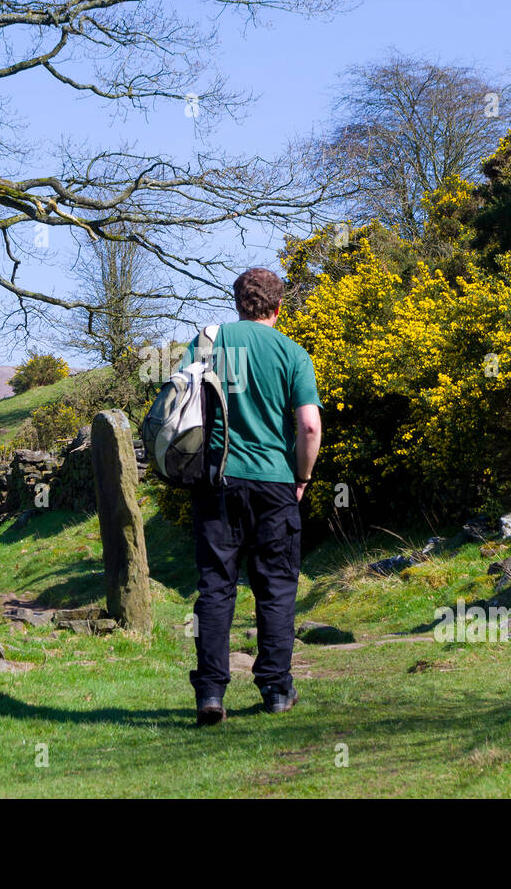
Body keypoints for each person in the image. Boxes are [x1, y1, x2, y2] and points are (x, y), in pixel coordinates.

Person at [184, 267, 322, 726]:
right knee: (277, 586)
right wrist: (301, 476)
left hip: (217, 479)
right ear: (279, 308)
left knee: (216, 587)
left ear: (238, 302)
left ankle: (210, 692)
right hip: (276, 483)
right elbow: (308, 426)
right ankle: (277, 689)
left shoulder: (207, 343)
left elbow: (180, 406)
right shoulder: (293, 353)